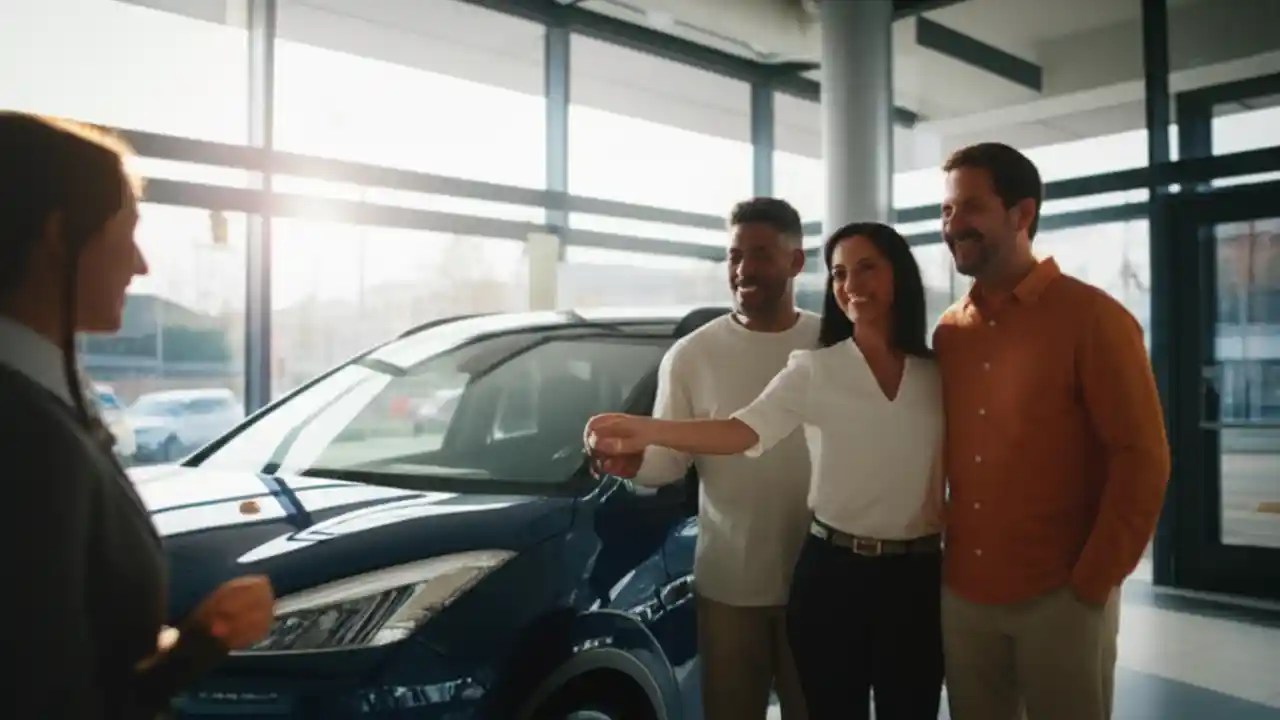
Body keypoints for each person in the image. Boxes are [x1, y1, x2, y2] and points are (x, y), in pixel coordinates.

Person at [587, 221, 945, 720]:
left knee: (912, 708)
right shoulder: (816, 368)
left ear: (899, 276)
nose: (851, 284)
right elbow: (740, 431)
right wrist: (646, 430)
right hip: (832, 572)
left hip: (918, 574)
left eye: (867, 268)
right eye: (840, 273)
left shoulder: (938, 373)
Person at [1, 112, 276, 719]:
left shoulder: (43, 403)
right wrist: (200, 648)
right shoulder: (25, 439)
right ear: (58, 235)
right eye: (128, 231)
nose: (141, 265)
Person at [932, 141, 1170, 720]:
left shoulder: (1095, 319)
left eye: (971, 207)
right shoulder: (948, 333)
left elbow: (1142, 458)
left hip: (1061, 595)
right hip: (965, 593)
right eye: (945, 211)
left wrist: (1093, 581)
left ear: (1022, 215)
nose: (953, 224)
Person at [590, 197, 815, 720]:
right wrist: (633, 467)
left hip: (820, 581)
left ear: (796, 262)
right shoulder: (692, 355)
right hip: (730, 582)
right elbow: (668, 465)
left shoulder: (832, 342)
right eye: (735, 256)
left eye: (760, 255)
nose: (743, 270)